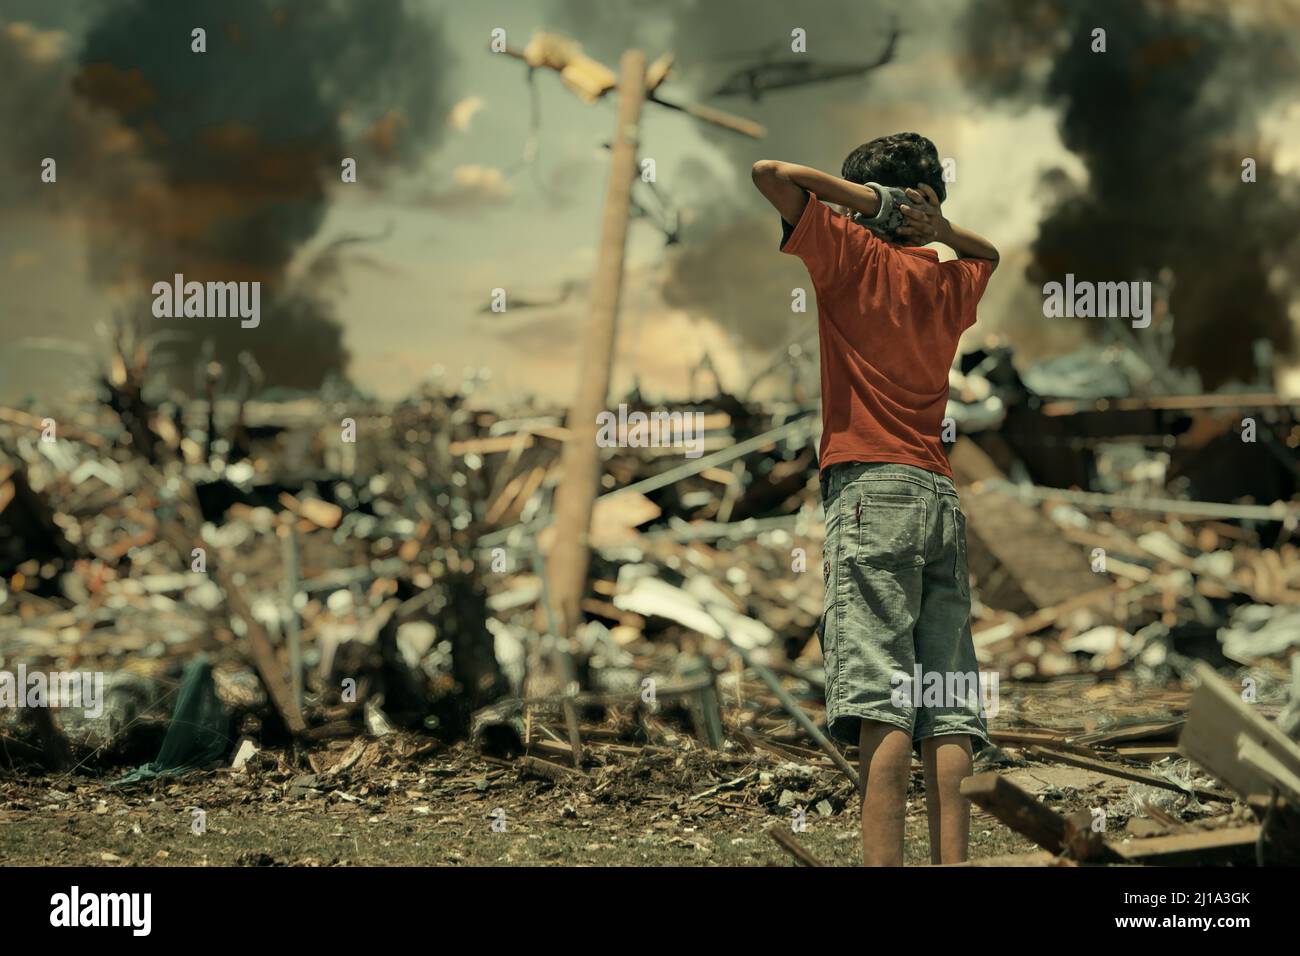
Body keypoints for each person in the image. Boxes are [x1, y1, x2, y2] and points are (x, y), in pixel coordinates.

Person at [751, 132, 999, 865]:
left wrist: (871, 209)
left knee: (880, 700)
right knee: (949, 703)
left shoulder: (852, 254)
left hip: (871, 489)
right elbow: (988, 253)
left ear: (873, 209)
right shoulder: (951, 280)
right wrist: (940, 228)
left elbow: (773, 172)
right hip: (938, 495)